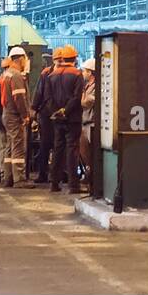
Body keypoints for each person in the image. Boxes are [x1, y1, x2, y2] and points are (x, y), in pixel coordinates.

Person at [43, 45, 85, 193]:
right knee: (72, 150)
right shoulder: (77, 74)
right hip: (72, 118)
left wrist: (56, 111)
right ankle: (73, 185)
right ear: (74, 58)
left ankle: (54, 183)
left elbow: (47, 97)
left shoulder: (51, 76)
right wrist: (66, 111)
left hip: (57, 120)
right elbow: (77, 97)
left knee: (58, 149)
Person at [0, 50, 34, 188]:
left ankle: (8, 177)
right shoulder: (16, 75)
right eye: (25, 59)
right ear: (20, 59)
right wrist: (25, 115)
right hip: (14, 116)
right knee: (18, 147)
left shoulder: (7, 74)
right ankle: (19, 179)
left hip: (7, 114)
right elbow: (19, 97)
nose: (26, 62)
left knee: (10, 146)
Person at [29, 48, 55, 183]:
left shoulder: (46, 73)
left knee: (45, 144)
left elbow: (39, 93)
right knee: (59, 146)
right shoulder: (74, 72)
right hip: (63, 115)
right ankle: (60, 175)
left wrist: (33, 109)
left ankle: (43, 174)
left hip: (46, 114)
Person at [79, 57, 96, 190]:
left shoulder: (96, 86)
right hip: (85, 122)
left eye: (85, 71)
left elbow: (87, 102)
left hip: (91, 123)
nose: (83, 73)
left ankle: (92, 175)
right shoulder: (87, 86)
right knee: (84, 151)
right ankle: (89, 172)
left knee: (91, 151)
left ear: (90, 73)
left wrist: (82, 99)